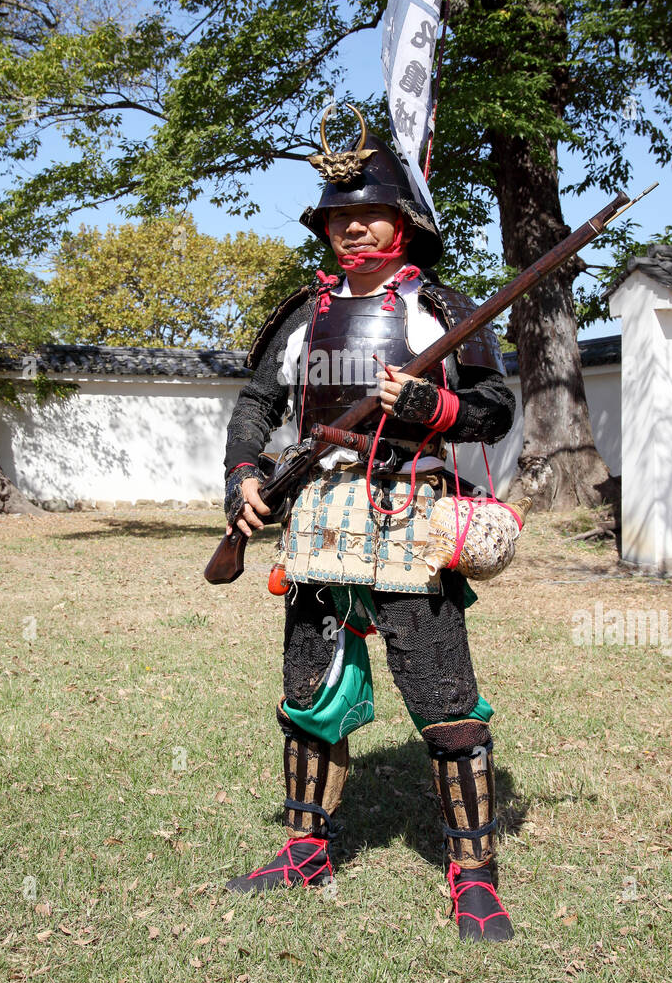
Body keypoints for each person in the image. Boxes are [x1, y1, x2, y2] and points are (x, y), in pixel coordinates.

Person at [221, 105, 517, 941]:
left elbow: (492, 412)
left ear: (403, 221)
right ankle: (306, 849)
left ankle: (474, 875)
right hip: (314, 516)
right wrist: (244, 476)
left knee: (443, 697)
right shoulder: (300, 315)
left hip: (410, 514)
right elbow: (256, 405)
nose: (352, 229)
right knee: (308, 693)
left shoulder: (442, 310)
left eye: (368, 214)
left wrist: (433, 403)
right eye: (337, 219)